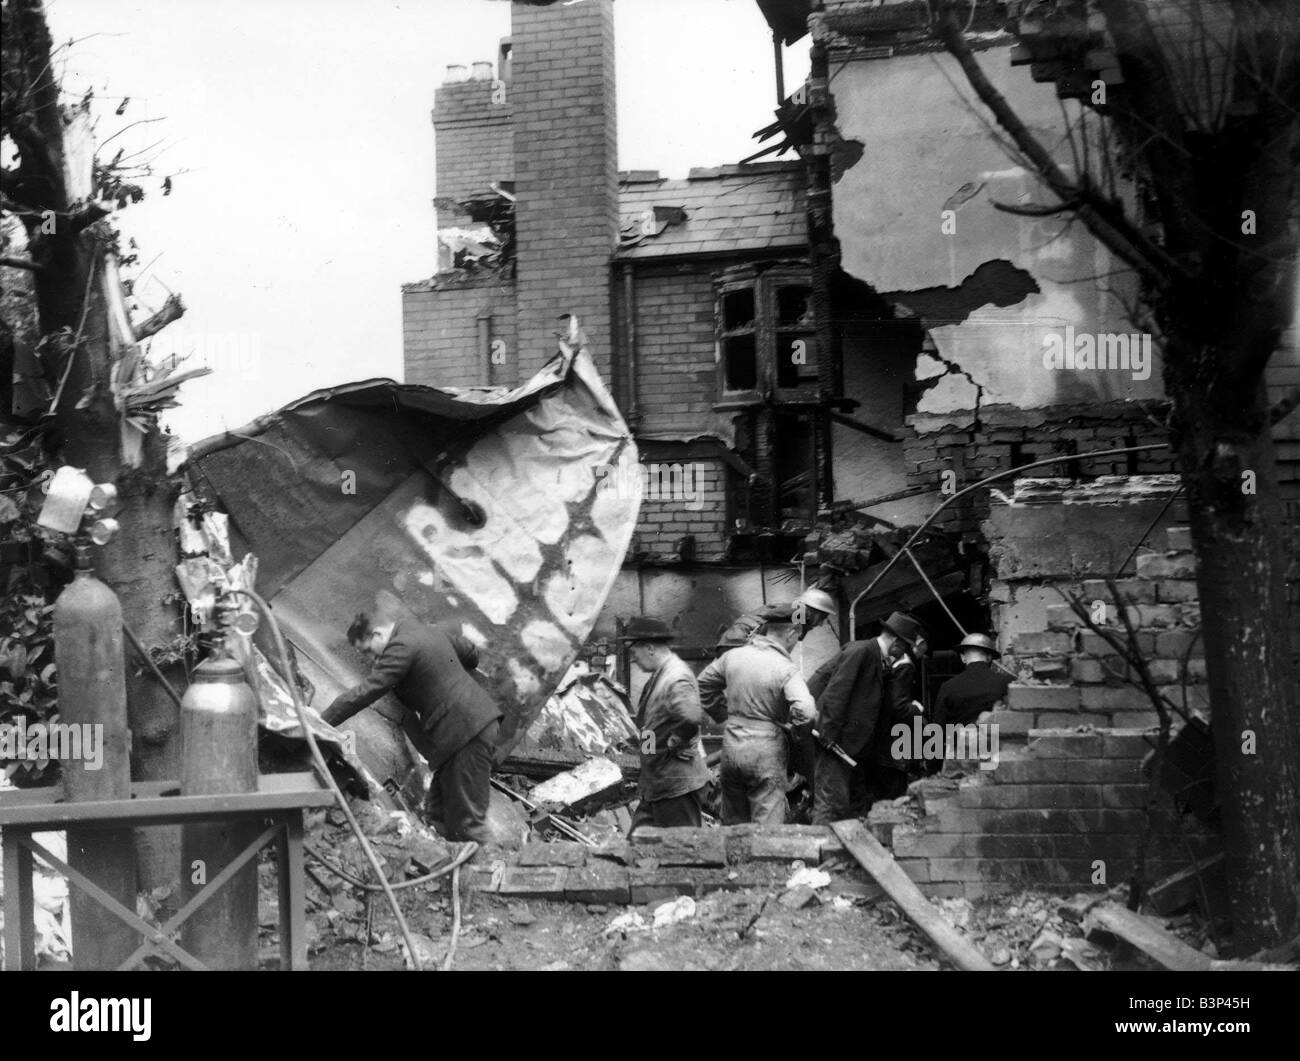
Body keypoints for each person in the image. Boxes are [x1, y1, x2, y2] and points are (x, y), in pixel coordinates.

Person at [321, 599, 503, 846]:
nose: (370, 659)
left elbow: (365, 693)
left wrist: (320, 723)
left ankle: (496, 876)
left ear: (377, 633)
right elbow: (471, 654)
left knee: (469, 824)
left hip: (465, 732)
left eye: (367, 650)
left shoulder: (401, 646)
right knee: (437, 814)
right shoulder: (425, 632)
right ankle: (448, 872)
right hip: (466, 730)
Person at [697, 603, 815, 825]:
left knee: (733, 823)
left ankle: (734, 860)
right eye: (795, 639)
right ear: (791, 633)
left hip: (732, 747)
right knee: (767, 824)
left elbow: (703, 684)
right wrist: (798, 732)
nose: (793, 646)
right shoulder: (784, 667)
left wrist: (723, 716)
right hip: (766, 749)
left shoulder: (732, 656)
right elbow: (806, 710)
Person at [810, 610, 924, 823]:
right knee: (831, 804)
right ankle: (819, 849)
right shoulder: (861, 651)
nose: (902, 655)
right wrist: (828, 735)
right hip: (836, 744)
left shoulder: (876, 658)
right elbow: (837, 693)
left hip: (853, 748)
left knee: (848, 803)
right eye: (904, 649)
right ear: (897, 643)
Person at [621, 617, 711, 832]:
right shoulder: (661, 675)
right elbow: (653, 724)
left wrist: (677, 740)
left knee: (683, 849)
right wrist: (643, 749)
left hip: (675, 785)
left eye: (635, 654)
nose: (634, 660)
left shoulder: (675, 676)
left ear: (650, 648)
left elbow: (690, 717)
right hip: (656, 783)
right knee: (637, 845)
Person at [865, 612, 927, 805]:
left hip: (883, 740)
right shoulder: (904, 668)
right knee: (893, 793)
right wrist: (918, 714)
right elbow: (899, 706)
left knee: (881, 793)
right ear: (899, 643)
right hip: (893, 742)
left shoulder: (893, 665)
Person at [932, 633, 1012, 728]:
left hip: (960, 741)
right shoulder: (1007, 682)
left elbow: (938, 728)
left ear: (963, 658)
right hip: (996, 741)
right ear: (989, 657)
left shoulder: (948, 687)